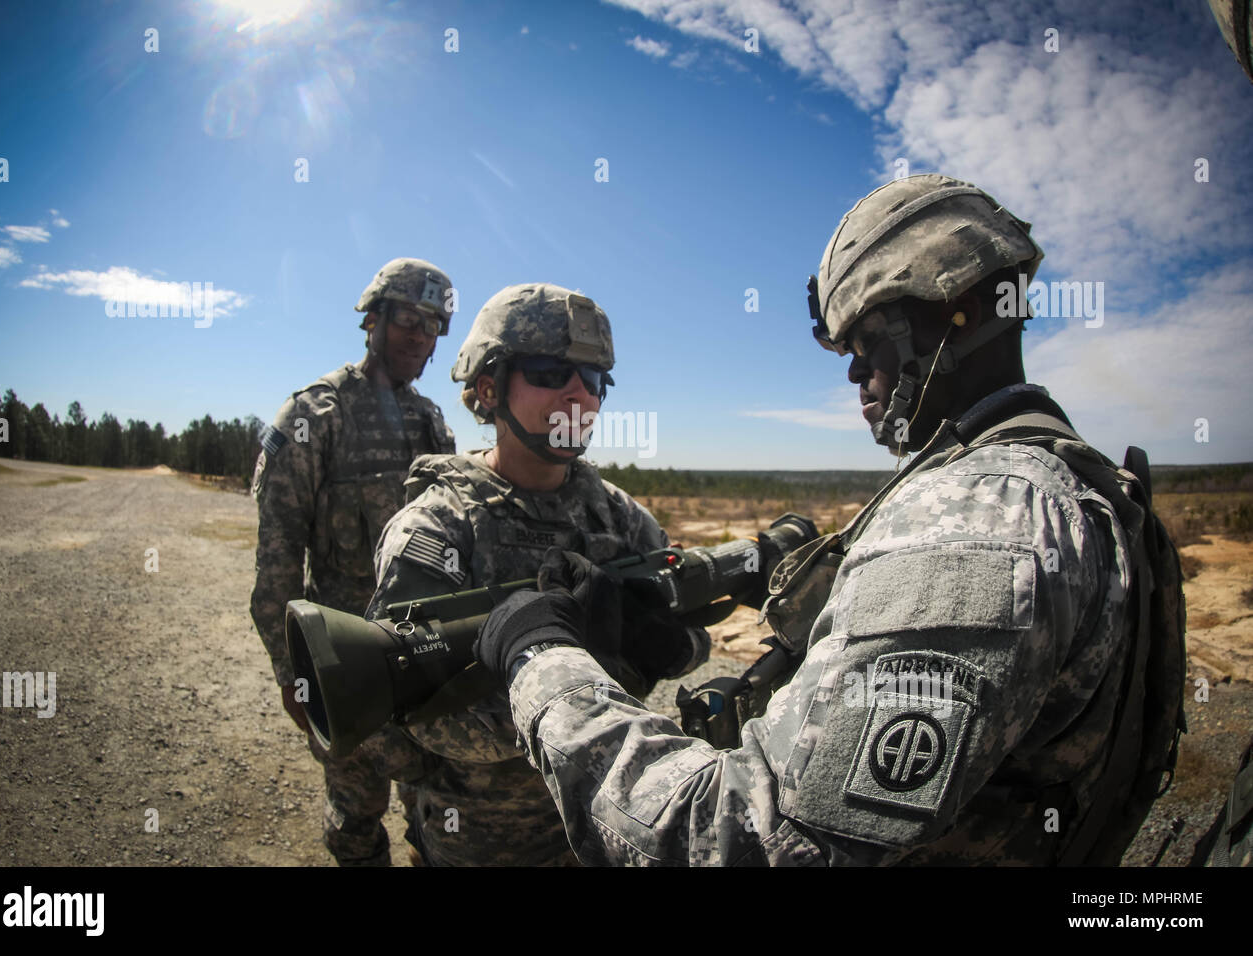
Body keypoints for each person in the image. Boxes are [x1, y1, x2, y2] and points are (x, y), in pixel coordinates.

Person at [475, 174, 1186, 866]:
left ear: (953, 309)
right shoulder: (1086, 481)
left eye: (865, 341)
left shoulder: (969, 526)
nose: (853, 375)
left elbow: (739, 842)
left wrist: (544, 664)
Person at [365, 282, 710, 866]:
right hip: (479, 841)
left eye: (594, 379)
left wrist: (678, 650)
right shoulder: (437, 528)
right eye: (551, 372)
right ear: (489, 389)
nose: (581, 393)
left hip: (603, 831)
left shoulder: (621, 517)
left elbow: (691, 625)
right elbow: (426, 724)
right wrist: (606, 679)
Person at [250, 257, 457, 866]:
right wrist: (293, 673)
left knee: (440, 825)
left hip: (426, 670)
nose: (419, 335)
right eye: (406, 318)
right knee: (356, 826)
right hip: (346, 671)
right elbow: (277, 566)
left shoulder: (431, 422)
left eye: (432, 324)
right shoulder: (313, 418)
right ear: (372, 319)